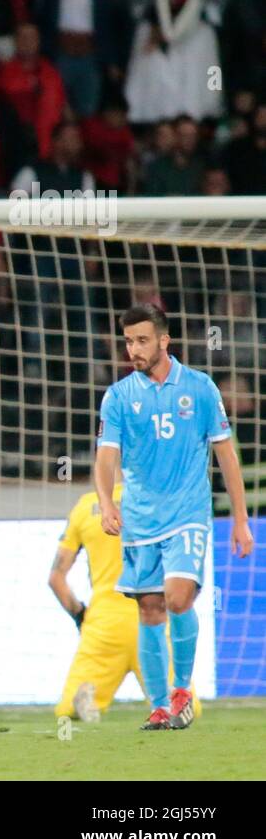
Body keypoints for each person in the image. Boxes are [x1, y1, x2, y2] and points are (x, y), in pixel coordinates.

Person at [94, 303, 254, 729]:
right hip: (140, 519)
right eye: (128, 341)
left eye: (142, 340)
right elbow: (105, 457)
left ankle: (183, 688)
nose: (134, 349)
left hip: (187, 512)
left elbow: (226, 455)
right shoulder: (118, 397)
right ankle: (161, 704)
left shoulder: (200, 389)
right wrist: (107, 502)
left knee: (178, 597)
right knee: (148, 607)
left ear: (164, 341)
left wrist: (240, 519)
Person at [49, 484, 202, 723]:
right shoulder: (158, 500)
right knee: (185, 705)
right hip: (153, 617)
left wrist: (80, 616)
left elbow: (56, 579)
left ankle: (86, 698)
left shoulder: (85, 507)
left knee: (67, 709)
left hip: (104, 621)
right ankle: (168, 703)